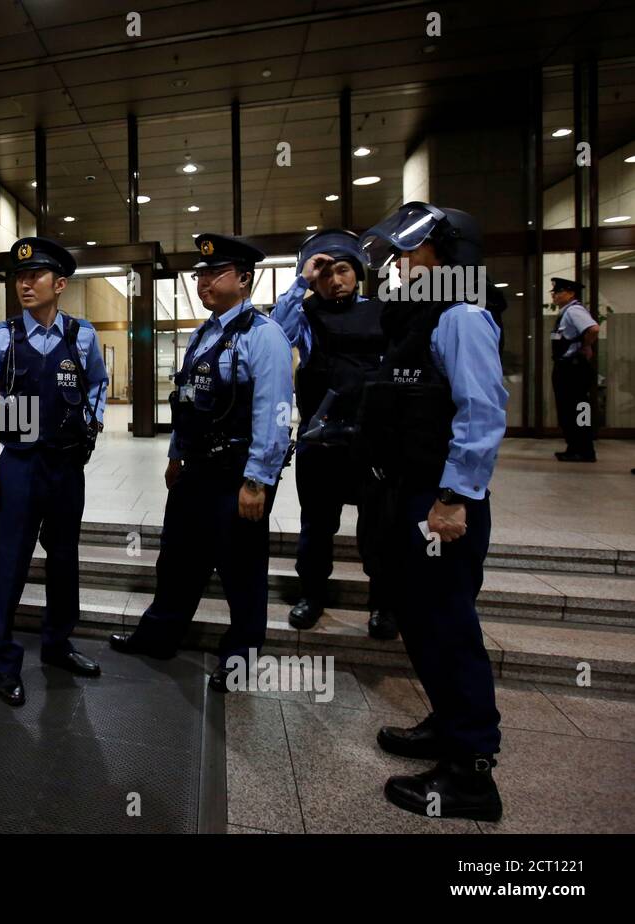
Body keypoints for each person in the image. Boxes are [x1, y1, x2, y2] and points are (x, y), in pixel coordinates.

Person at [357, 200, 507, 821]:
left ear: (447, 255)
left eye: (410, 253)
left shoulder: (463, 316)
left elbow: (481, 413)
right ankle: (447, 725)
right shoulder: (419, 319)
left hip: (441, 499)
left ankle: (472, 773)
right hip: (411, 492)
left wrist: (454, 498)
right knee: (422, 620)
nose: (398, 264)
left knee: (448, 627)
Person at [110, 234, 293, 693]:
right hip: (195, 472)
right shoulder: (205, 333)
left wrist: (257, 480)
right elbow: (187, 401)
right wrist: (176, 455)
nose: (203, 281)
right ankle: (158, 637)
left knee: (241, 572)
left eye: (214, 273)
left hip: (236, 475)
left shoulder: (264, 336)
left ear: (244, 279)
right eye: (201, 274)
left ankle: (240, 658)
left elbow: (274, 414)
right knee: (176, 561)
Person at [0, 237, 108, 707]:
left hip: (66, 466)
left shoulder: (81, 335)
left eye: (36, 276)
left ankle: (57, 643)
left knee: (64, 558)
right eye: (20, 277)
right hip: (19, 465)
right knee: (9, 562)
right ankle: (4, 661)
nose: (25, 284)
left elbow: (97, 385)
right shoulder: (0, 338)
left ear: (60, 284)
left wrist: (93, 425)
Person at [271, 229, 394, 639]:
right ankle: (311, 595)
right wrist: (300, 283)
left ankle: (382, 603)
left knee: (377, 529)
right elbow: (275, 337)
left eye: (342, 271)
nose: (334, 280)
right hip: (321, 442)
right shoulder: (305, 315)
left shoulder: (384, 313)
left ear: (357, 274)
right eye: (324, 274)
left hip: (374, 442)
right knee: (317, 527)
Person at [549, 277, 599, 463]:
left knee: (578, 409)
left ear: (571, 293)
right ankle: (574, 447)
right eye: (554, 292)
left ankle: (584, 449)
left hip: (573, 368)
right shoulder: (566, 312)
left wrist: (585, 345)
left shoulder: (575, 310)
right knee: (568, 410)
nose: (554, 295)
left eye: (558, 292)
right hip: (566, 367)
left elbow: (593, 329)